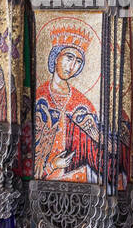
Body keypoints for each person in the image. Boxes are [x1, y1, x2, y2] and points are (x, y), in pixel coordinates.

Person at [33, 22, 103, 182]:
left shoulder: (83, 103)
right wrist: (53, 165)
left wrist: (98, 137)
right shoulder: (39, 96)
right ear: (56, 56)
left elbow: (97, 152)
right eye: (69, 57)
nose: (72, 66)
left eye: (78, 61)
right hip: (43, 181)